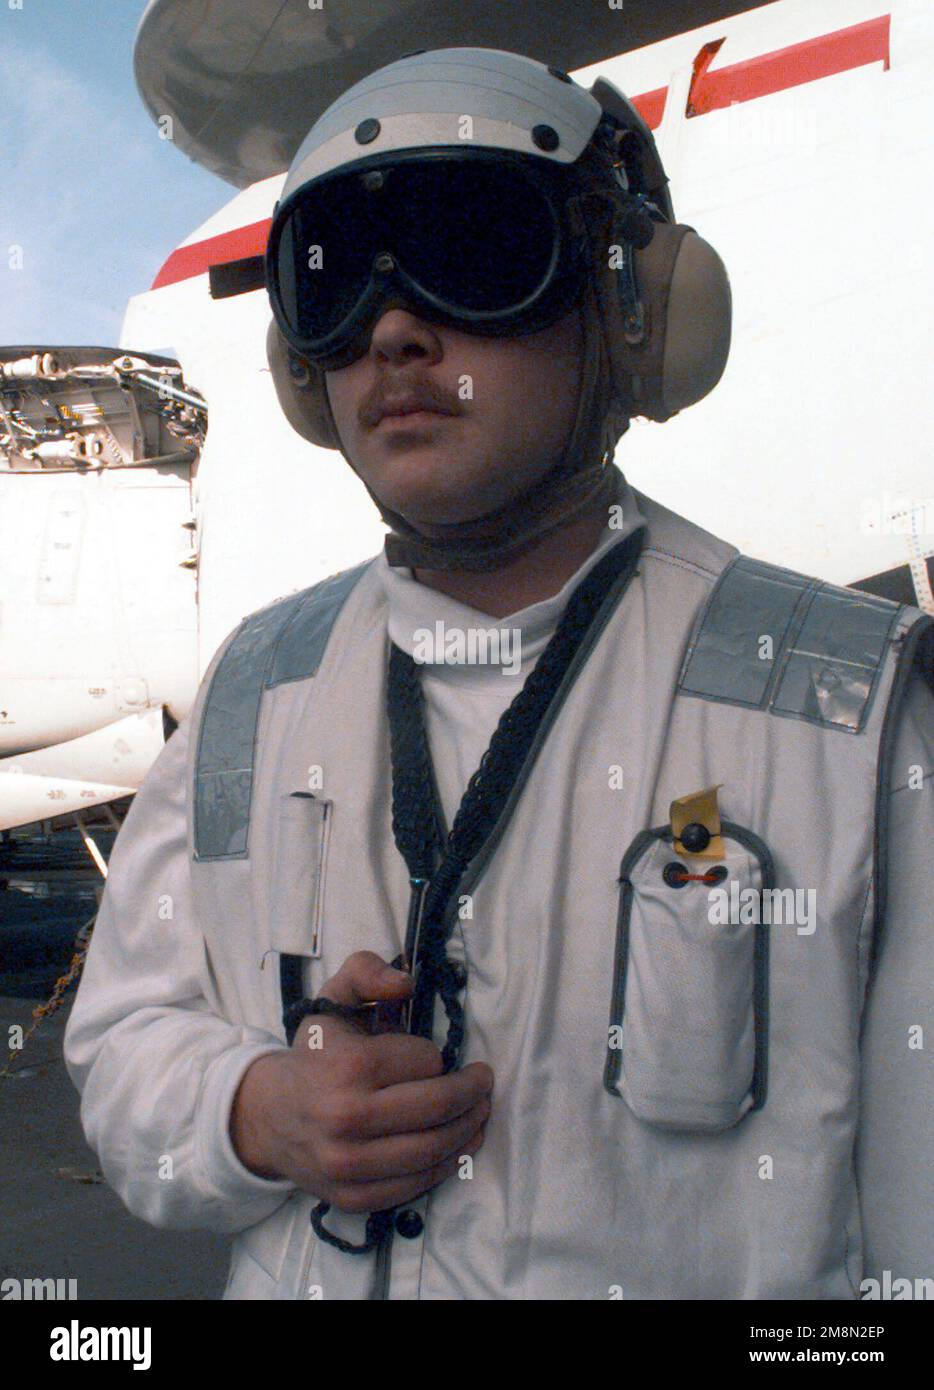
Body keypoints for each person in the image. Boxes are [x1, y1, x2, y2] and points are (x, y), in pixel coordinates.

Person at [65, 46, 933, 1301]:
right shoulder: (254, 692)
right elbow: (127, 1045)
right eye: (334, 290)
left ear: (633, 308)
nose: (395, 332)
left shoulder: (846, 706)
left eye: (471, 247)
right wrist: (254, 1111)